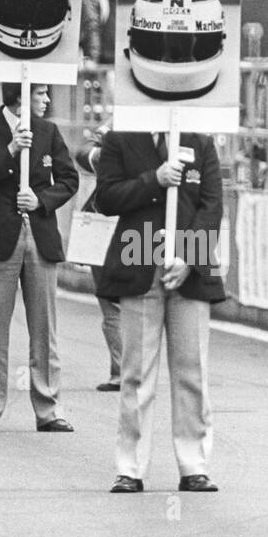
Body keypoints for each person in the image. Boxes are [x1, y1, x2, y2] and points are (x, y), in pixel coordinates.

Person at [94, 126, 224, 493]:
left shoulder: (199, 140)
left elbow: (212, 205)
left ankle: (194, 464)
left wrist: (189, 257)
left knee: (192, 370)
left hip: (189, 270)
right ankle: (131, 467)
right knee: (136, 371)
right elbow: (106, 198)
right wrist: (155, 179)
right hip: (138, 261)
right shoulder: (120, 137)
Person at [0, 82, 79, 433]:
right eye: (41, 93)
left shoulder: (48, 131)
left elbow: (69, 179)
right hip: (0, 236)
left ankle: (49, 408)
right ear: (20, 97)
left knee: (44, 327)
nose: (47, 99)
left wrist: (42, 201)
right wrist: (11, 150)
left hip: (40, 235)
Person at [73, 121, 123, 392]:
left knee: (116, 303)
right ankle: (128, 371)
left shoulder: (111, 156)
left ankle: (123, 372)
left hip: (117, 229)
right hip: (120, 226)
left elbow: (84, 153)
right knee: (117, 302)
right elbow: (83, 152)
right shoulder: (121, 123)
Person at [80, 0, 117, 67]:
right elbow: (92, 28)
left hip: (113, 61)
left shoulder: (116, 0)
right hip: (99, 61)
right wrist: (93, 58)